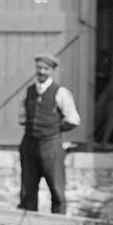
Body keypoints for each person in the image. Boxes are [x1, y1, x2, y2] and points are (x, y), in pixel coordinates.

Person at [18, 53, 80, 216]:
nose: (42, 72)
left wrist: (53, 130)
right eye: (39, 68)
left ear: (51, 71)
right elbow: (22, 118)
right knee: (28, 189)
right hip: (29, 145)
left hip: (51, 146)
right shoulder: (29, 92)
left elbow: (73, 119)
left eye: (46, 69)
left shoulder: (60, 92)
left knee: (56, 189)